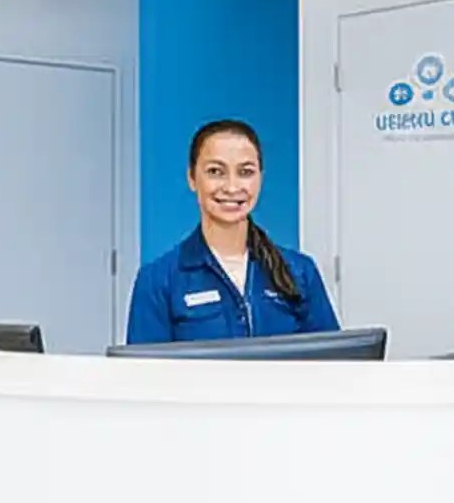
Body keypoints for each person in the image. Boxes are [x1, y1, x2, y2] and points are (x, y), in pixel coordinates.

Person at [126, 119, 340, 344]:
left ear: (260, 178)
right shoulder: (158, 280)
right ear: (192, 178)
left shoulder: (300, 272)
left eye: (245, 172)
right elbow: (143, 376)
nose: (231, 187)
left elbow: (333, 366)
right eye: (215, 171)